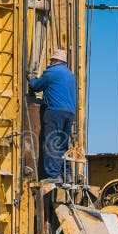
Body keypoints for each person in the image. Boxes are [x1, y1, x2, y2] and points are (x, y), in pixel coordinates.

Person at [29, 49, 76, 183]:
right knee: (62, 144)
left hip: (55, 111)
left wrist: (31, 78)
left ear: (54, 61)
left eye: (51, 60)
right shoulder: (70, 75)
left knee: (51, 142)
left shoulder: (52, 72)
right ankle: (67, 174)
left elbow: (36, 86)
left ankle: (53, 176)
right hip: (69, 113)